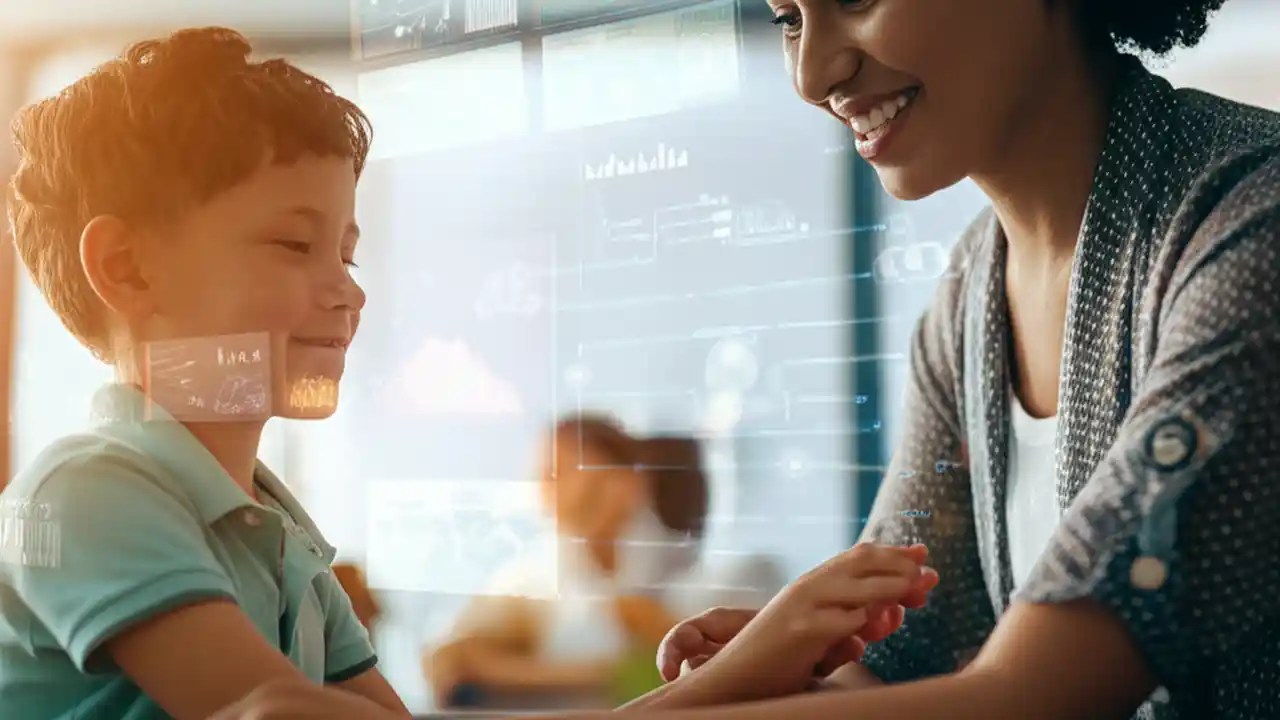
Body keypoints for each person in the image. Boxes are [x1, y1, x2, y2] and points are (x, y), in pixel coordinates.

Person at [595, 0, 1280, 718]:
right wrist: (775, 665)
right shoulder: (967, 297)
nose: (812, 73)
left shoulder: (1253, 223)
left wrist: (702, 697)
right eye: (789, 18)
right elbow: (894, 661)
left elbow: (1030, 696)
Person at [0, 27, 411, 719]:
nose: (349, 291)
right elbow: (273, 712)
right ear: (126, 268)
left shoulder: (281, 528)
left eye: (347, 255)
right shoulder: (85, 492)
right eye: (294, 243)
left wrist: (662, 704)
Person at [424, 416, 777, 710]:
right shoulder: (534, 583)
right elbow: (446, 662)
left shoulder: (730, 578)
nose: (545, 489)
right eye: (543, 476)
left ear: (624, 480)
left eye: (558, 471)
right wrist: (607, 674)